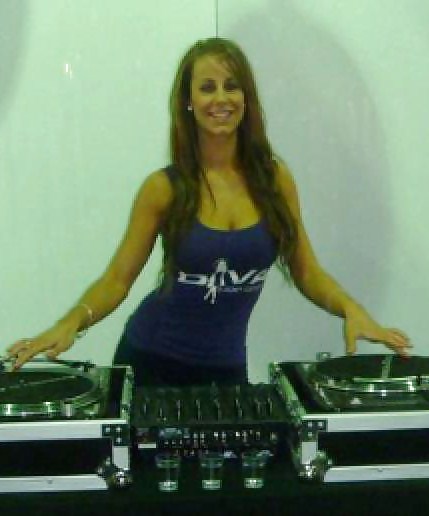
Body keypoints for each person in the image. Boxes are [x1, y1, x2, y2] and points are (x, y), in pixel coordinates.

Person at [7, 38, 410, 385]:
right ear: (188, 102)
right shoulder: (163, 188)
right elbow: (116, 280)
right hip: (152, 361)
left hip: (226, 366)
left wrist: (351, 309)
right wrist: (70, 323)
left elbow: (306, 271)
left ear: (246, 98)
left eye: (232, 86)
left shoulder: (275, 179)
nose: (221, 99)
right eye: (207, 88)